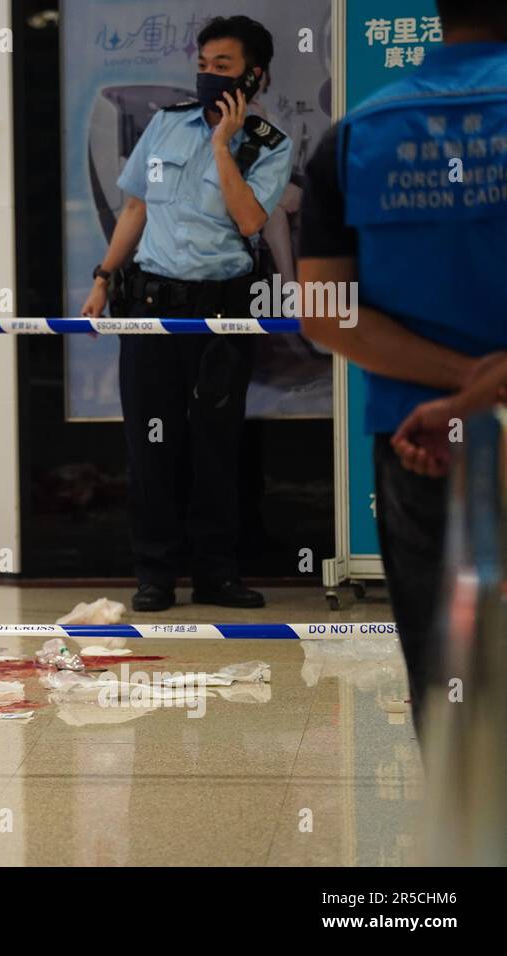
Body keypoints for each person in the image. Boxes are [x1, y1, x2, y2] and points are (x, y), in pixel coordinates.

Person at [297, 0, 507, 733]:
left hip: (422, 445)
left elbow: (325, 312)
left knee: (452, 683)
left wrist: (461, 389)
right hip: (438, 431)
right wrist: (492, 388)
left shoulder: (354, 136)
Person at [81, 15, 292, 612]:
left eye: (222, 67)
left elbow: (251, 221)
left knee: (215, 447)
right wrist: (103, 277)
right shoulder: (165, 126)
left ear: (256, 75)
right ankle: (155, 574)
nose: (207, 76)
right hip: (151, 307)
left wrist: (223, 145)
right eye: (202, 66)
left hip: (221, 314)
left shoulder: (269, 145)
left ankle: (217, 574)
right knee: (152, 446)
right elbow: (135, 209)